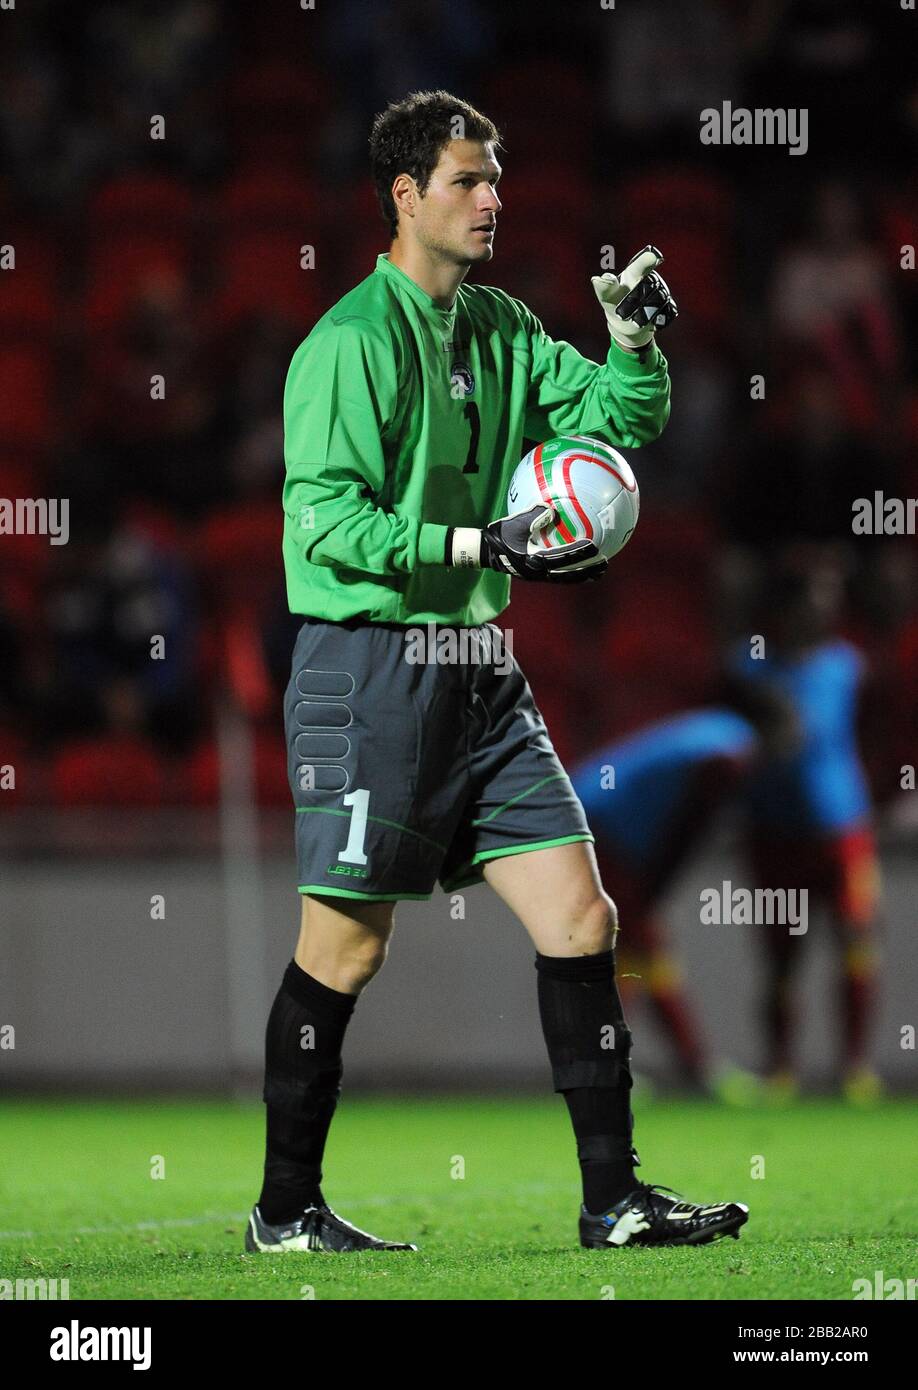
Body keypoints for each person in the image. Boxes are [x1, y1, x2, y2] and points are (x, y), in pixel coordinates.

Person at [246, 89, 747, 1255]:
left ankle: (613, 1201)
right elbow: (324, 521)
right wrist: (478, 544)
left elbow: (621, 422)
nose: (493, 199)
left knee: (581, 915)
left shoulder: (506, 328)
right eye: (469, 180)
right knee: (345, 948)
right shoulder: (346, 346)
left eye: (498, 179)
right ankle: (283, 1212)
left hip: (480, 669)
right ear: (407, 196)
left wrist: (633, 341)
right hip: (367, 666)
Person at [731, 553, 883, 1102]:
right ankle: (780, 1068)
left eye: (829, 598)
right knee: (781, 957)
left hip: (843, 830)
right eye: (814, 597)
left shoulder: (847, 663)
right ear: (785, 605)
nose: (824, 608)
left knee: (857, 938)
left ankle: (854, 1067)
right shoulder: (747, 667)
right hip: (773, 833)